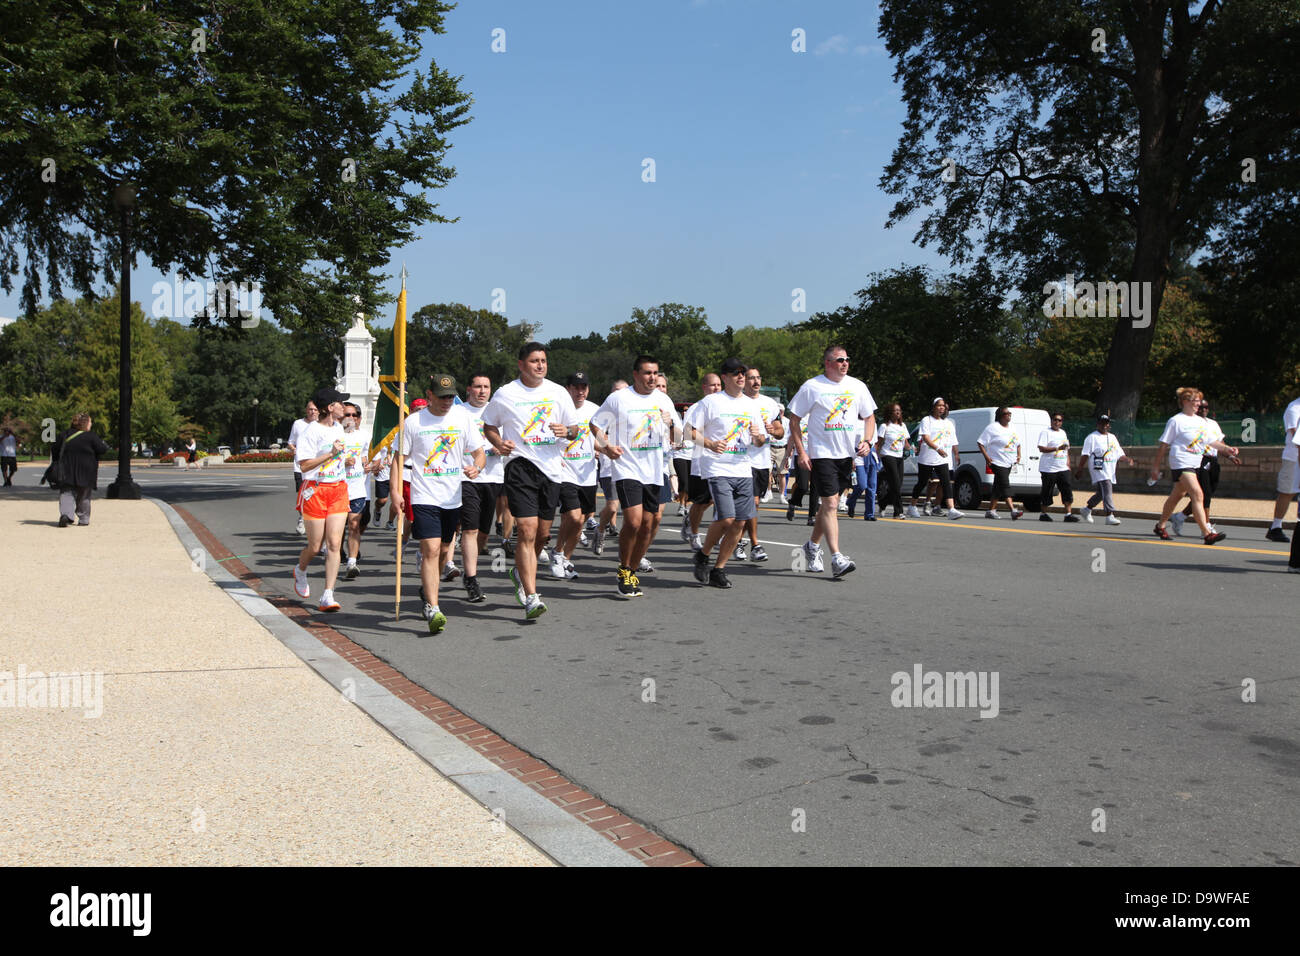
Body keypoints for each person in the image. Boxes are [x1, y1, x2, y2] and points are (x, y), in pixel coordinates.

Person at [482, 342, 580, 620]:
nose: (540, 365)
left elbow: (574, 430)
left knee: (542, 534)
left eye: (544, 361)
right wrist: (499, 443)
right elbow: (489, 425)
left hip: (551, 469)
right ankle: (531, 596)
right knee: (526, 529)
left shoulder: (557, 392)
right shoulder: (506, 393)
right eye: (535, 361)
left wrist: (567, 431)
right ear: (521, 364)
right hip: (520, 466)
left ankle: (520, 571)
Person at [390, 373, 486, 634]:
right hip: (425, 495)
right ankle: (433, 607)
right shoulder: (413, 422)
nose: (447, 401)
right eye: (442, 396)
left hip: (452, 496)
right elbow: (399, 459)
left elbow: (479, 453)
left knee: (444, 551)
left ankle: (427, 587)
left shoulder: (462, 418)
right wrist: (396, 492)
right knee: (431, 549)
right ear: (430, 395)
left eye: (451, 396)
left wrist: (477, 467)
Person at [590, 355, 679, 597]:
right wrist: (606, 447)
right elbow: (596, 425)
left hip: (654, 470)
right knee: (634, 521)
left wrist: (671, 424)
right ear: (636, 375)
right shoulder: (619, 399)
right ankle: (623, 568)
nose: (652, 378)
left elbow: (679, 437)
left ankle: (631, 568)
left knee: (649, 525)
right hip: (627, 468)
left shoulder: (663, 400)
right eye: (647, 373)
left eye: (655, 373)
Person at [787, 345, 877, 578]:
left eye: (847, 359)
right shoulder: (812, 386)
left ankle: (812, 546)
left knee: (830, 505)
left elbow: (869, 417)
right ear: (827, 363)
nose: (844, 363)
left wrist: (868, 441)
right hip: (821, 454)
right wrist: (802, 451)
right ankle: (837, 558)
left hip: (846, 455)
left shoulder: (857, 386)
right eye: (839, 360)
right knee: (830, 505)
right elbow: (794, 420)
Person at [686, 358, 768, 588]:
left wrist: (757, 436)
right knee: (727, 518)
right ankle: (703, 554)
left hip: (743, 467)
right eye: (735, 373)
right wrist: (710, 444)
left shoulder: (751, 405)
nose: (741, 377)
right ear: (724, 378)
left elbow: (761, 441)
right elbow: (687, 431)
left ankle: (718, 569)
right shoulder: (711, 402)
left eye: (743, 373)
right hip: (717, 466)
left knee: (740, 523)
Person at [1151, 387, 1238, 544]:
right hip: (1181, 461)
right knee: (1198, 494)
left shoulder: (1200, 422)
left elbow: (1211, 441)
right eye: (1195, 401)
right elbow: (1163, 445)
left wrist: (1227, 449)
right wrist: (1155, 467)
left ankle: (1160, 525)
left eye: (1199, 401)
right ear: (1185, 402)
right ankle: (1207, 533)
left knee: (1177, 494)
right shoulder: (1176, 421)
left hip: (1195, 462)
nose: (1198, 404)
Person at [292, 387, 351, 611]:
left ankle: (328, 594)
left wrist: (346, 462)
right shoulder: (310, 431)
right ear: (330, 407)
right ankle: (300, 570)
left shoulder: (339, 428)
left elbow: (338, 458)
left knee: (335, 544)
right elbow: (304, 465)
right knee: (316, 546)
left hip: (338, 490)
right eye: (340, 403)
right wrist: (330, 455)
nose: (344, 407)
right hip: (315, 490)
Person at [456, 373, 504, 603]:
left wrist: (503, 447)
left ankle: (467, 556)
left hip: (494, 477)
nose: (482, 391)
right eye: (477, 387)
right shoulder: (459, 412)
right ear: (469, 389)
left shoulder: (498, 411)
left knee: (483, 532)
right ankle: (471, 578)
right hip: (467, 477)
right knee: (470, 530)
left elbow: (509, 439)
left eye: (486, 386)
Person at [554, 372, 600, 581]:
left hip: (588, 473)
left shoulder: (595, 411)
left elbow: (598, 440)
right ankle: (557, 552)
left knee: (580, 521)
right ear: (568, 389)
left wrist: (607, 450)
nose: (580, 391)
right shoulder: (558, 409)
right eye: (576, 387)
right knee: (572, 515)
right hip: (565, 471)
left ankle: (566, 558)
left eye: (584, 387)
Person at [1171, 397, 1240, 536]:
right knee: (1204, 493)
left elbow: (1219, 442)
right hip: (1199, 459)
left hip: (1213, 460)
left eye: (1206, 407)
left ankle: (1180, 517)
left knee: (1206, 494)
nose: (1203, 410)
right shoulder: (1191, 423)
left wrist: (1230, 454)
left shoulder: (1213, 424)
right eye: (1201, 407)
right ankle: (1206, 527)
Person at [737, 365, 783, 560]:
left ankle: (737, 540)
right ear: (743, 381)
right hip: (743, 460)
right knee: (752, 502)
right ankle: (755, 544)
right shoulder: (738, 403)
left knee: (752, 506)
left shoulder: (770, 404)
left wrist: (773, 430)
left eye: (758, 378)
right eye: (751, 378)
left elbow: (780, 431)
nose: (756, 381)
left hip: (763, 461)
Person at [682, 373, 723, 549]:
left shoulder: (724, 405)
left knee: (718, 501)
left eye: (719, 385)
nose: (716, 389)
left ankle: (718, 535)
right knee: (701, 502)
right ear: (704, 387)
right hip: (701, 461)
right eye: (712, 385)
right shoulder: (696, 408)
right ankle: (694, 532)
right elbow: (688, 433)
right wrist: (709, 444)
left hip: (722, 462)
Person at [591, 378, 629, 556]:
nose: (620, 394)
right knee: (613, 507)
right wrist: (605, 449)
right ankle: (600, 530)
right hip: (609, 466)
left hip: (631, 468)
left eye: (624, 390)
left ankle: (633, 554)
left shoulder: (633, 411)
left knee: (637, 514)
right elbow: (594, 435)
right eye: (616, 391)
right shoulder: (606, 412)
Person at [51, 412, 110, 526]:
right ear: (86, 423)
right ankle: (83, 518)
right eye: (90, 422)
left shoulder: (64, 435)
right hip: (86, 470)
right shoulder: (91, 436)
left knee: (66, 493)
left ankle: (66, 515)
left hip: (66, 469)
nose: (91, 424)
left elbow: (55, 449)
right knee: (84, 494)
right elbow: (102, 449)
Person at [908, 398, 962, 519]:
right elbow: (926, 438)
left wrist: (956, 453)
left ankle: (951, 509)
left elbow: (953, 440)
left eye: (943, 406)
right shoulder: (926, 420)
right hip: (927, 458)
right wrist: (938, 449)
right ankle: (912, 506)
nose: (942, 407)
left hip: (941, 459)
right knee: (922, 483)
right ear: (933, 407)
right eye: (939, 405)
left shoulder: (947, 423)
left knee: (946, 483)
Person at [339, 402, 374, 579]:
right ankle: (337, 551)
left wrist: (368, 465)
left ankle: (352, 562)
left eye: (354, 415)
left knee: (354, 525)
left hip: (357, 489)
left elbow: (365, 457)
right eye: (347, 415)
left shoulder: (364, 436)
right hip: (336, 489)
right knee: (337, 530)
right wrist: (341, 462)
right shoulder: (334, 435)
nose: (351, 418)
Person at [1076, 414, 1131, 525]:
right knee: (1107, 488)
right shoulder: (1092, 437)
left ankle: (1087, 509)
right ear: (1097, 424)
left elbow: (1119, 453)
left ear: (1109, 425)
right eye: (1102, 423)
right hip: (1098, 468)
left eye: (1106, 423)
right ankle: (1109, 515)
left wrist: (1127, 459)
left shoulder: (1112, 437)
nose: (1104, 425)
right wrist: (1080, 469)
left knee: (1102, 493)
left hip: (1110, 468)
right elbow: (1085, 454)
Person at [978, 407, 1025, 519]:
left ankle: (991, 511)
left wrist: (1018, 455)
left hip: (1008, 462)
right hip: (997, 462)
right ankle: (1013, 510)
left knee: (998, 486)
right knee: (1005, 484)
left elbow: (1017, 443)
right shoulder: (992, 428)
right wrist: (987, 457)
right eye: (1006, 413)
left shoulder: (1012, 428)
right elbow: (980, 442)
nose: (1009, 415)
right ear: (1000, 415)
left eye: (1010, 413)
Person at [1266, 393, 1299, 543]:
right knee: (1288, 492)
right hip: (1294, 457)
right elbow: (1294, 433)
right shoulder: (1294, 408)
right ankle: (1276, 527)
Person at [1037, 412, 1079, 522]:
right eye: (1055, 420)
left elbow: (1066, 449)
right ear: (1051, 421)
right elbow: (1041, 448)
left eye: (1059, 420)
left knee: (1066, 489)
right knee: (1047, 491)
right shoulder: (1045, 432)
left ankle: (1068, 514)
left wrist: (1068, 462)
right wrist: (1056, 448)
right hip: (1049, 468)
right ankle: (1044, 513)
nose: (1057, 422)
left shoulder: (1063, 433)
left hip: (1062, 467)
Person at [874, 403, 912, 518]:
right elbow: (878, 443)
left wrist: (913, 449)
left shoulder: (903, 426)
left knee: (897, 485)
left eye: (899, 410)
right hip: (887, 455)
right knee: (895, 482)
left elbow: (906, 444)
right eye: (895, 410)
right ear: (890, 413)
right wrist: (874, 456)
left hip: (899, 456)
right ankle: (898, 512)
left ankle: (883, 503)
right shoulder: (885, 426)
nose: (898, 412)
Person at [287, 399, 318, 534]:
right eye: (310, 409)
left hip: (317, 467)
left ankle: (314, 520)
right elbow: (290, 442)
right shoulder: (298, 424)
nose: (312, 412)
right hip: (300, 467)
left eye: (315, 409)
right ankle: (302, 517)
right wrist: (294, 449)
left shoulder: (321, 426)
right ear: (306, 410)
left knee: (316, 495)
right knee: (303, 494)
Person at [783, 415, 818, 525]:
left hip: (817, 455)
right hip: (801, 454)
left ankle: (812, 516)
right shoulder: (799, 417)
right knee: (803, 486)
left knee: (815, 487)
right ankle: (793, 502)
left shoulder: (819, 415)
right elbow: (792, 437)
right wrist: (787, 454)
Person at [845, 416, 879, 519]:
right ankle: (851, 501)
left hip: (870, 453)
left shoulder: (872, 422)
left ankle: (869, 514)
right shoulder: (852, 421)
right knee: (861, 484)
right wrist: (852, 459)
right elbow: (848, 443)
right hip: (857, 454)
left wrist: (874, 454)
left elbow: (875, 442)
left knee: (872, 486)